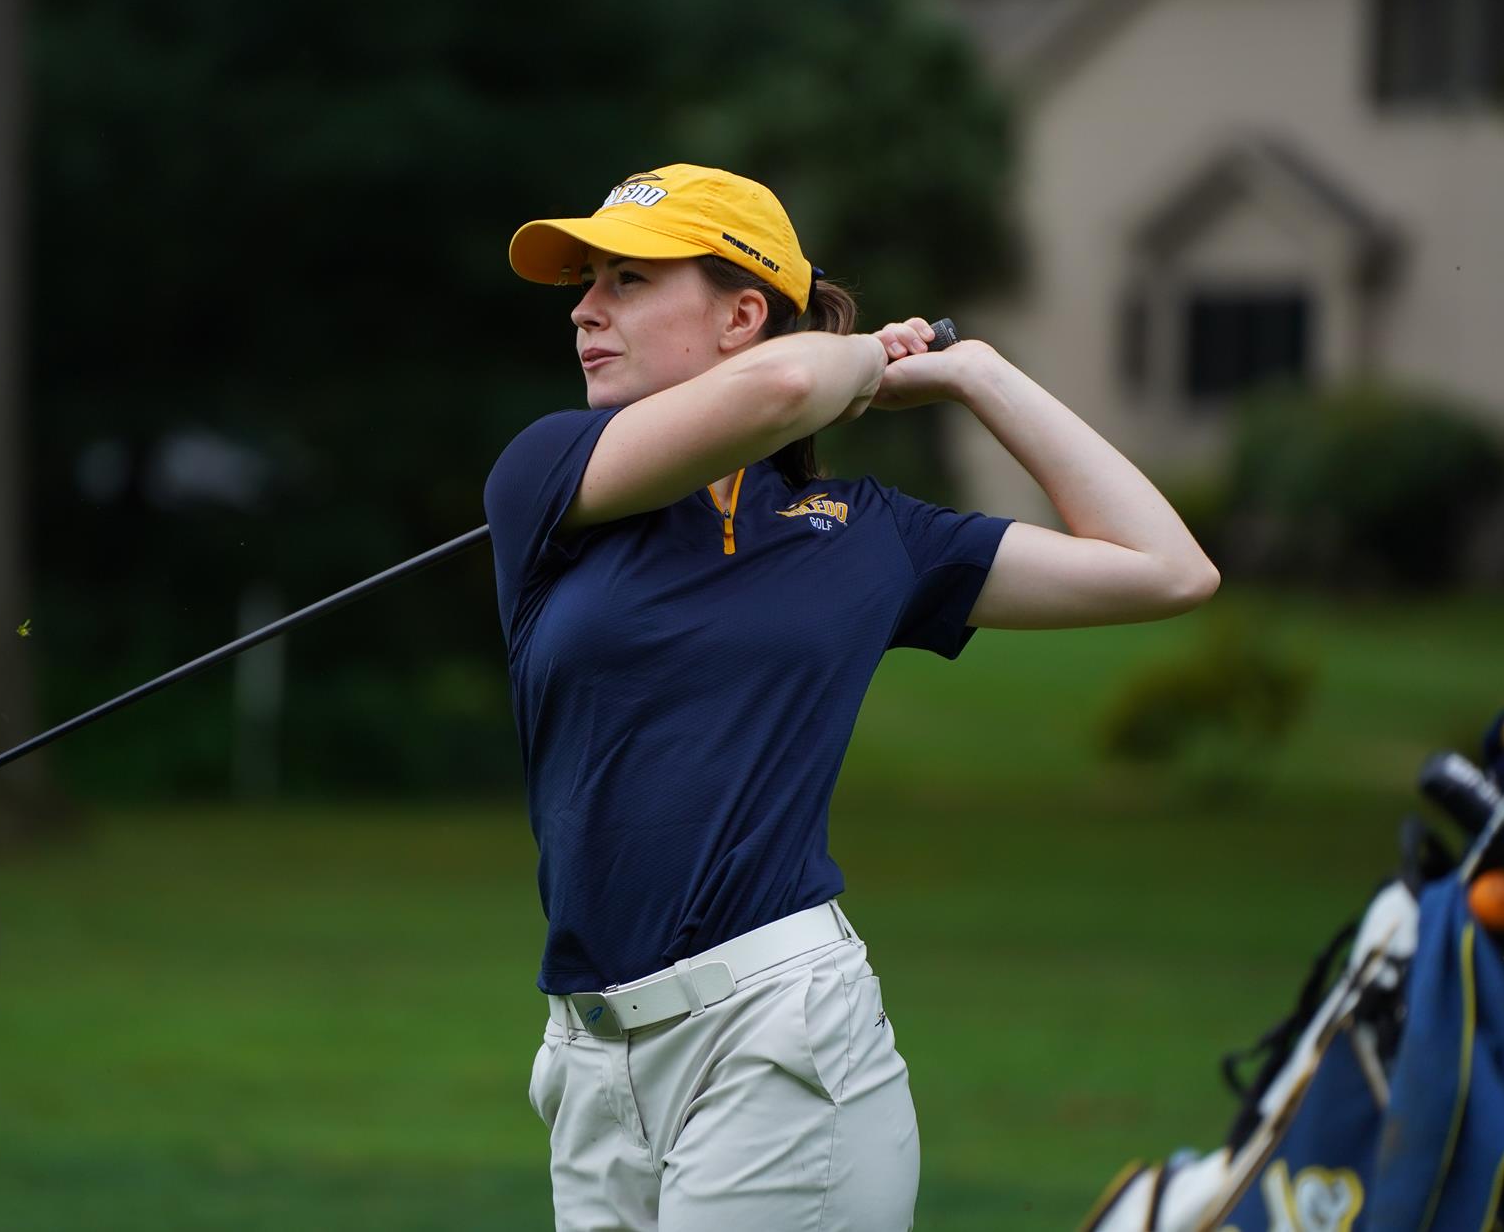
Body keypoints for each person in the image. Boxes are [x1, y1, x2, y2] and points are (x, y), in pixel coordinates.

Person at [483, 163, 1219, 1230]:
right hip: (590, 1067)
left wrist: (977, 377)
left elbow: (1165, 569)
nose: (586, 308)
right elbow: (781, 392)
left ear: (742, 314)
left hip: (775, 1035)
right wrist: (857, 362)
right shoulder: (547, 473)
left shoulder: (866, 530)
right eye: (586, 281)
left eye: (628, 279)